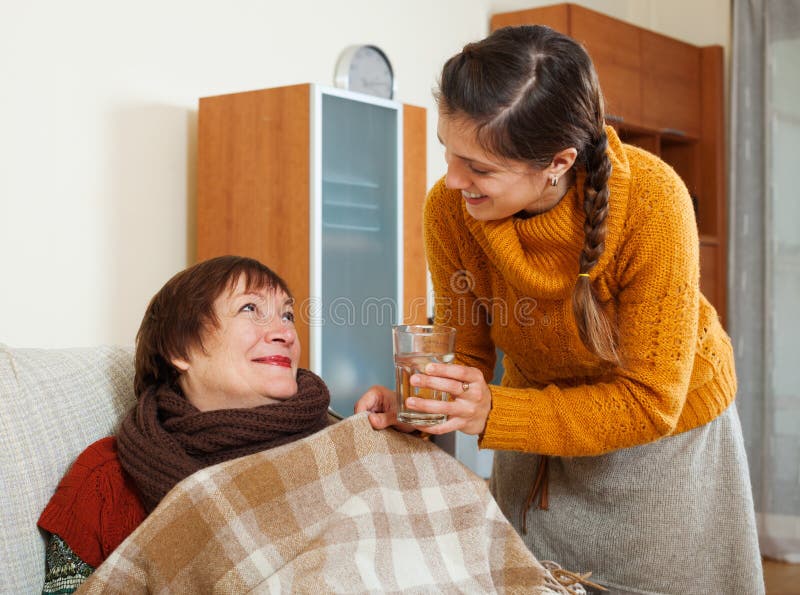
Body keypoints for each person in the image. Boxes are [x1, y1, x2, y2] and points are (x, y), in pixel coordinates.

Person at [356, 25, 764, 594]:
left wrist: (492, 412)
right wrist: (421, 406)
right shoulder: (451, 210)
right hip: (535, 430)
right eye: (448, 152)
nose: (452, 180)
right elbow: (466, 350)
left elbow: (650, 401)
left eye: (479, 167)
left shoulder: (653, 202)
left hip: (661, 448)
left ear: (557, 161)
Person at [37, 255, 331, 593]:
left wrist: (400, 438)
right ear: (181, 348)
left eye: (288, 315)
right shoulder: (106, 483)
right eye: (250, 308)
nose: (284, 333)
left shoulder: (342, 439)